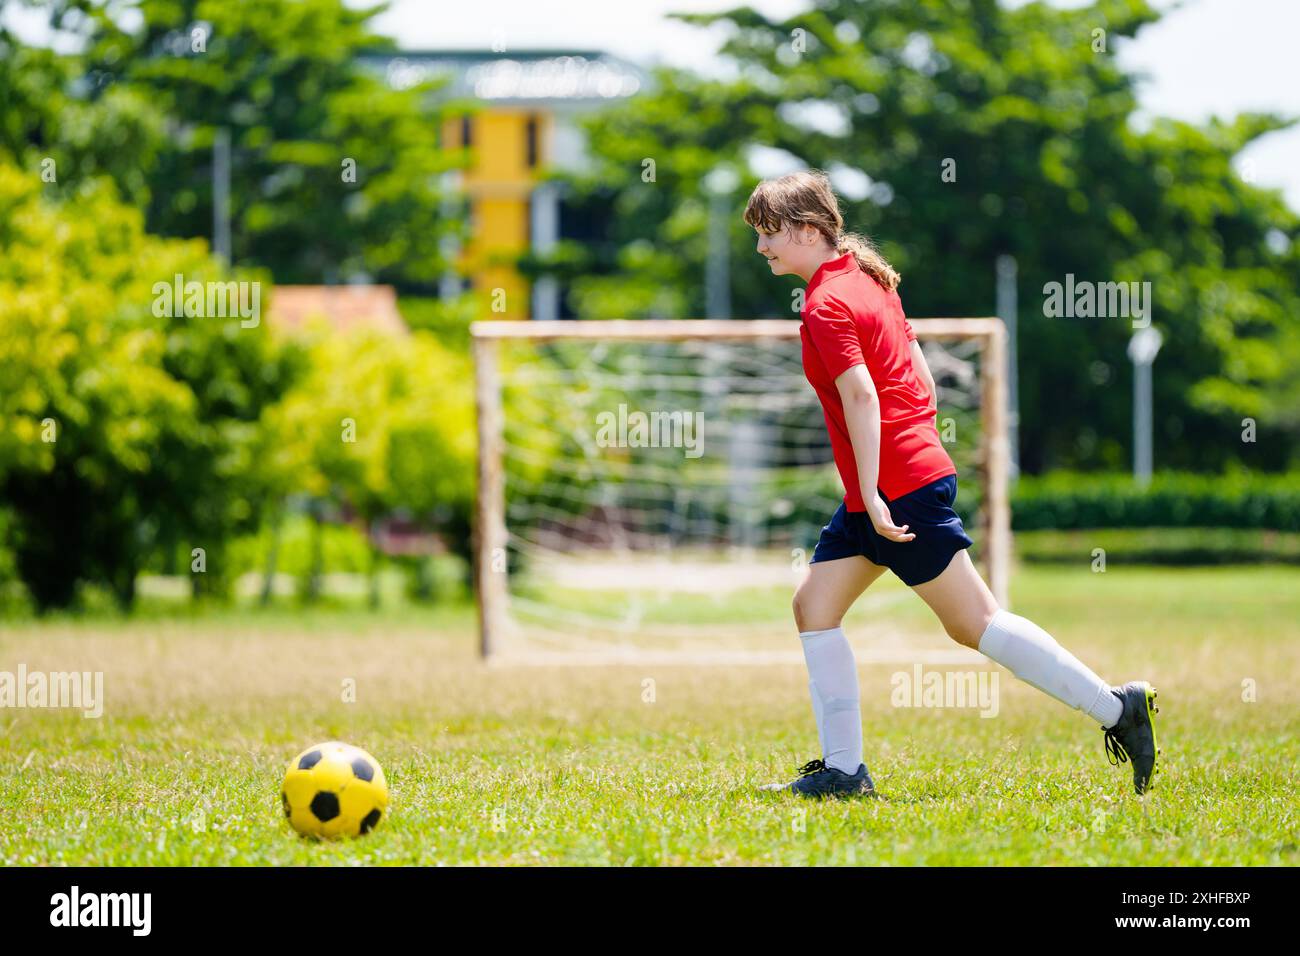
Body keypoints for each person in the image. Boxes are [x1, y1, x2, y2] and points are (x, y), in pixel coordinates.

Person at [745, 170, 1160, 798]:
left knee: (977, 624)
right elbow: (924, 381)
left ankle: (1117, 708)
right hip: (891, 485)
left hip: (895, 491)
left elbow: (860, 395)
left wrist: (878, 494)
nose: (761, 249)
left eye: (768, 234)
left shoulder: (829, 301)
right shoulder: (867, 281)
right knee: (815, 606)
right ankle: (843, 772)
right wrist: (881, 483)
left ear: (806, 229)